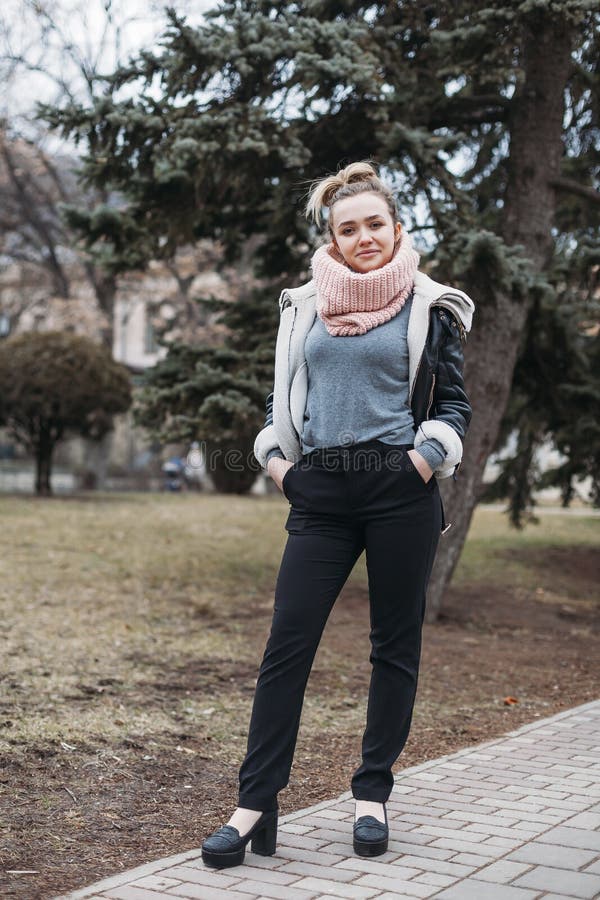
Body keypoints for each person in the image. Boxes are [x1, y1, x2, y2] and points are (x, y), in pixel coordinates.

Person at [201, 161, 474, 869]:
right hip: (319, 490)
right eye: (347, 229)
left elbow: (452, 408)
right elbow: (281, 401)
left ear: (396, 227)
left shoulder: (430, 305)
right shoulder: (304, 306)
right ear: (332, 236)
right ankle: (254, 804)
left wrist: (423, 460)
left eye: (374, 225)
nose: (363, 238)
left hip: (398, 488)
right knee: (286, 647)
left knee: (393, 646)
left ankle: (371, 795)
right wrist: (278, 465)